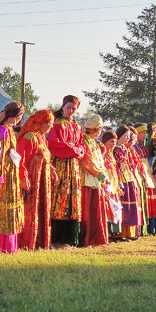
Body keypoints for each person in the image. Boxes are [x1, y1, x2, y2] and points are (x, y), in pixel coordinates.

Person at [47, 95, 86, 247]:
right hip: (61, 166)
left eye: (73, 109)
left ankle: (71, 238)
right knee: (60, 199)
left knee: (72, 199)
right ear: (63, 107)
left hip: (74, 168)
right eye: (68, 108)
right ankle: (57, 238)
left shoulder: (77, 126)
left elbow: (83, 144)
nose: (70, 111)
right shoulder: (56, 124)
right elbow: (55, 145)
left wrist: (78, 151)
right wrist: (75, 150)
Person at [16, 110, 54, 250]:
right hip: (33, 178)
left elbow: (46, 158)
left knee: (42, 208)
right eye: (49, 124)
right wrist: (23, 177)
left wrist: (52, 170)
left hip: (43, 179)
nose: (50, 127)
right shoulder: (30, 137)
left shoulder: (42, 138)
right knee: (31, 209)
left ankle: (40, 242)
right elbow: (21, 159)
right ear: (42, 123)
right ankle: (28, 242)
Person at [0, 102, 25, 253]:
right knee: (4, 209)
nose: (19, 119)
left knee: (10, 208)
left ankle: (10, 246)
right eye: (18, 116)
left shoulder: (9, 130)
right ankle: (3, 246)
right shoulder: (3, 131)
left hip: (12, 174)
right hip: (6, 175)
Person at [79, 115, 111, 247]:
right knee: (89, 208)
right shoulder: (85, 142)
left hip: (96, 178)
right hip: (88, 178)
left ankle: (96, 238)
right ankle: (89, 238)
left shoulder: (93, 142)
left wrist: (104, 175)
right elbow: (87, 162)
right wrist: (100, 174)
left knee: (96, 208)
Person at [113, 126, 142, 239]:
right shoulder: (116, 149)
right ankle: (121, 233)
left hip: (129, 178)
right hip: (121, 178)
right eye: (126, 136)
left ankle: (130, 232)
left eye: (129, 136)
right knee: (124, 207)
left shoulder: (125, 149)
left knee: (131, 206)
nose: (127, 138)